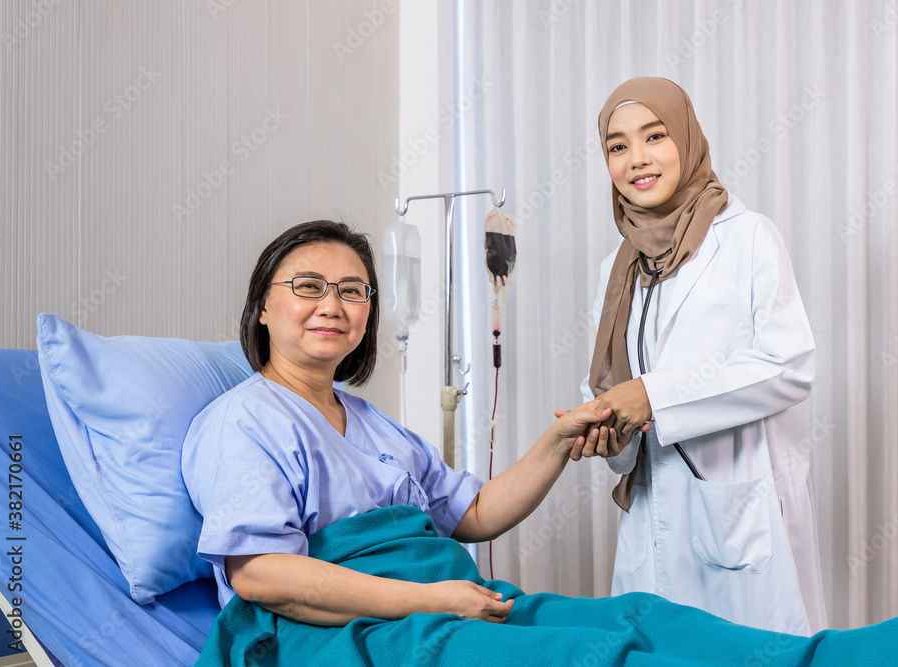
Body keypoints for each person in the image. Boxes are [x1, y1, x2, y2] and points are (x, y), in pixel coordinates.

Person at [182, 220, 613, 626]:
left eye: (352, 291)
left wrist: (558, 442)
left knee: (636, 622)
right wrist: (436, 601)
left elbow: (475, 512)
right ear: (262, 306)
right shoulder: (246, 420)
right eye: (309, 287)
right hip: (342, 634)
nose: (332, 307)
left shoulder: (375, 424)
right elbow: (262, 575)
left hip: (440, 605)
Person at [577, 77, 827, 635]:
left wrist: (653, 397)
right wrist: (606, 431)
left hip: (738, 520)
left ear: (686, 141)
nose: (636, 159)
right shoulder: (618, 267)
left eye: (655, 136)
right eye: (617, 146)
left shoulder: (747, 238)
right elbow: (609, 384)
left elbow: (789, 366)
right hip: (651, 526)